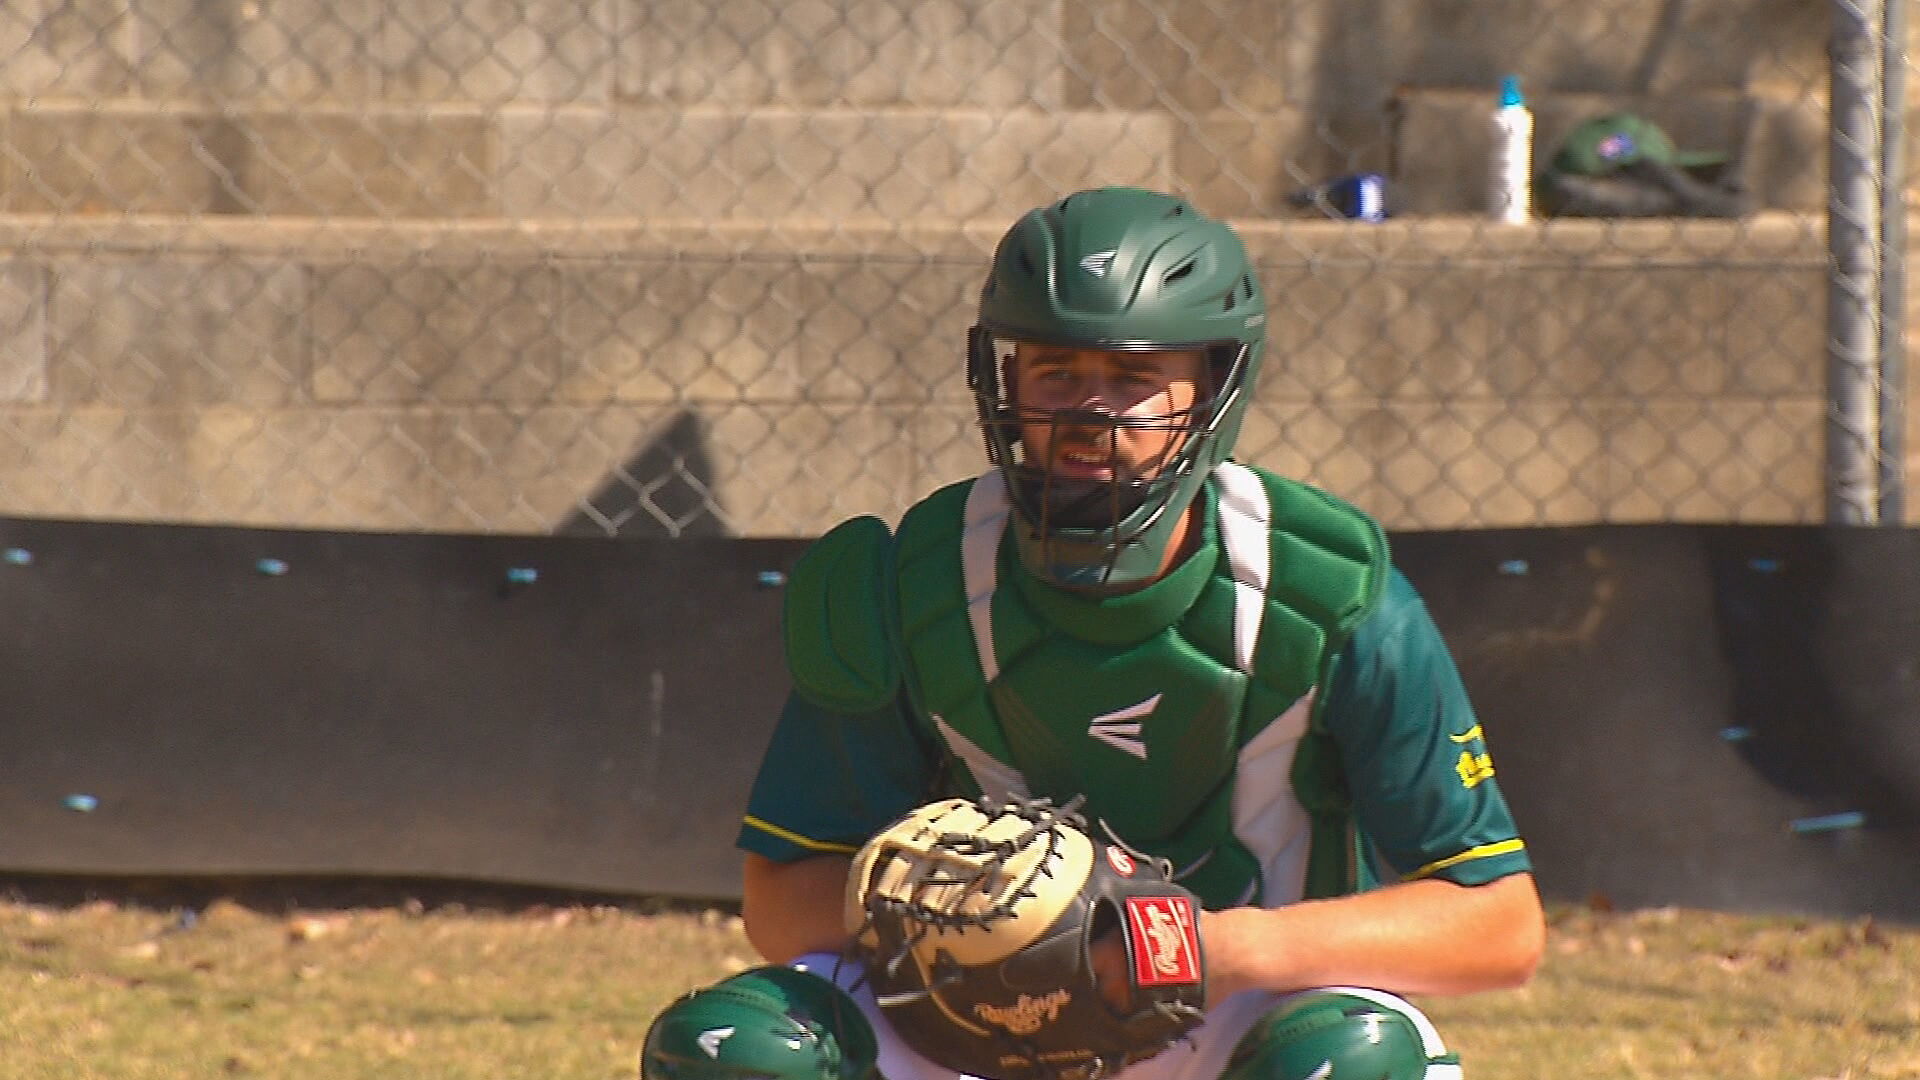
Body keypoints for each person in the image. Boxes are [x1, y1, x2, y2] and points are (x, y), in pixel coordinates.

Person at [650, 186, 1544, 1080]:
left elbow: (1499, 925)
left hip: (1233, 1013)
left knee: (1356, 1065)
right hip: (974, 1003)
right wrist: (989, 925)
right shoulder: (906, 584)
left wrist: (1203, 947)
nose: (1089, 414)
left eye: (1133, 379)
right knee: (738, 1053)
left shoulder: (1331, 594)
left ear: (1216, 386)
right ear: (1001, 380)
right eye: (1056, 375)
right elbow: (780, 899)